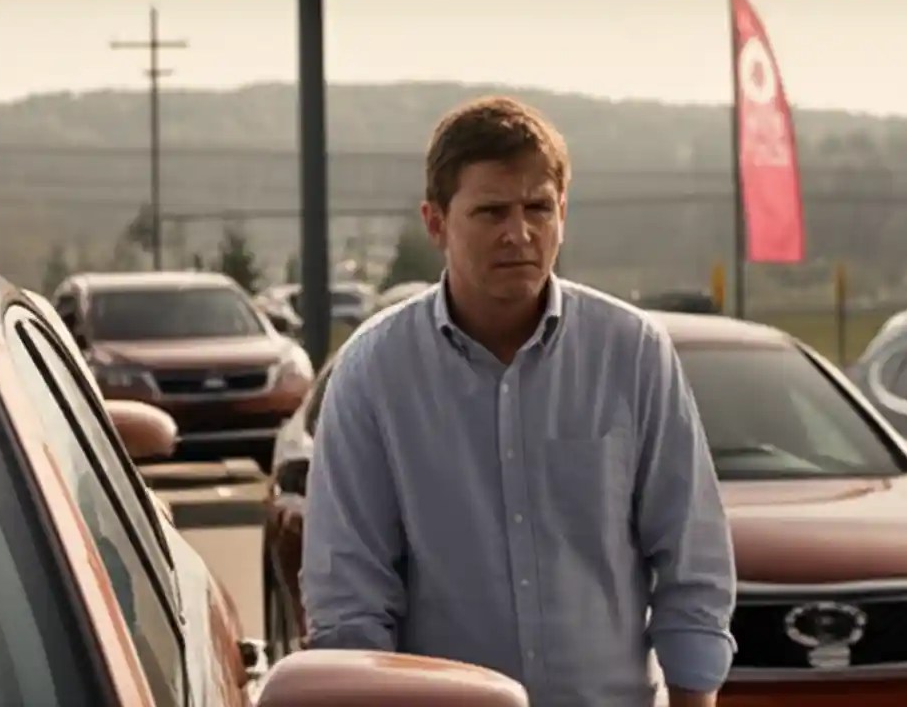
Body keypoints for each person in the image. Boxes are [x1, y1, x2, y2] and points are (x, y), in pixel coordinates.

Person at [300, 95, 736, 707]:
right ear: (435, 222)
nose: (519, 233)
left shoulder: (631, 352)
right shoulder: (373, 372)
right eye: (491, 212)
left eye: (538, 208)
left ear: (563, 214)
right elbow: (349, 594)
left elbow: (692, 556)